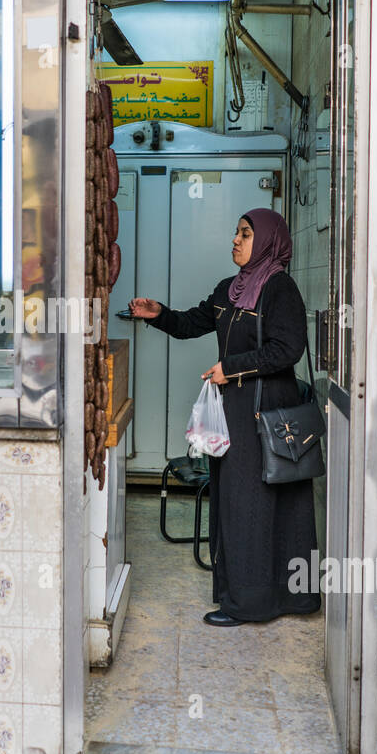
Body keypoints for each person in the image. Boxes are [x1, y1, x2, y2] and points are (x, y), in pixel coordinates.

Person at [130, 208, 321, 627]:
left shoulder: (279, 289)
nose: (235, 240)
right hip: (233, 414)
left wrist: (230, 368)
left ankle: (252, 604)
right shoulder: (229, 290)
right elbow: (191, 323)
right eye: (236, 232)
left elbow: (287, 350)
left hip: (266, 414)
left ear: (268, 241)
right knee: (235, 505)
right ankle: (247, 594)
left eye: (246, 233)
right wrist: (158, 313)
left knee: (255, 506)